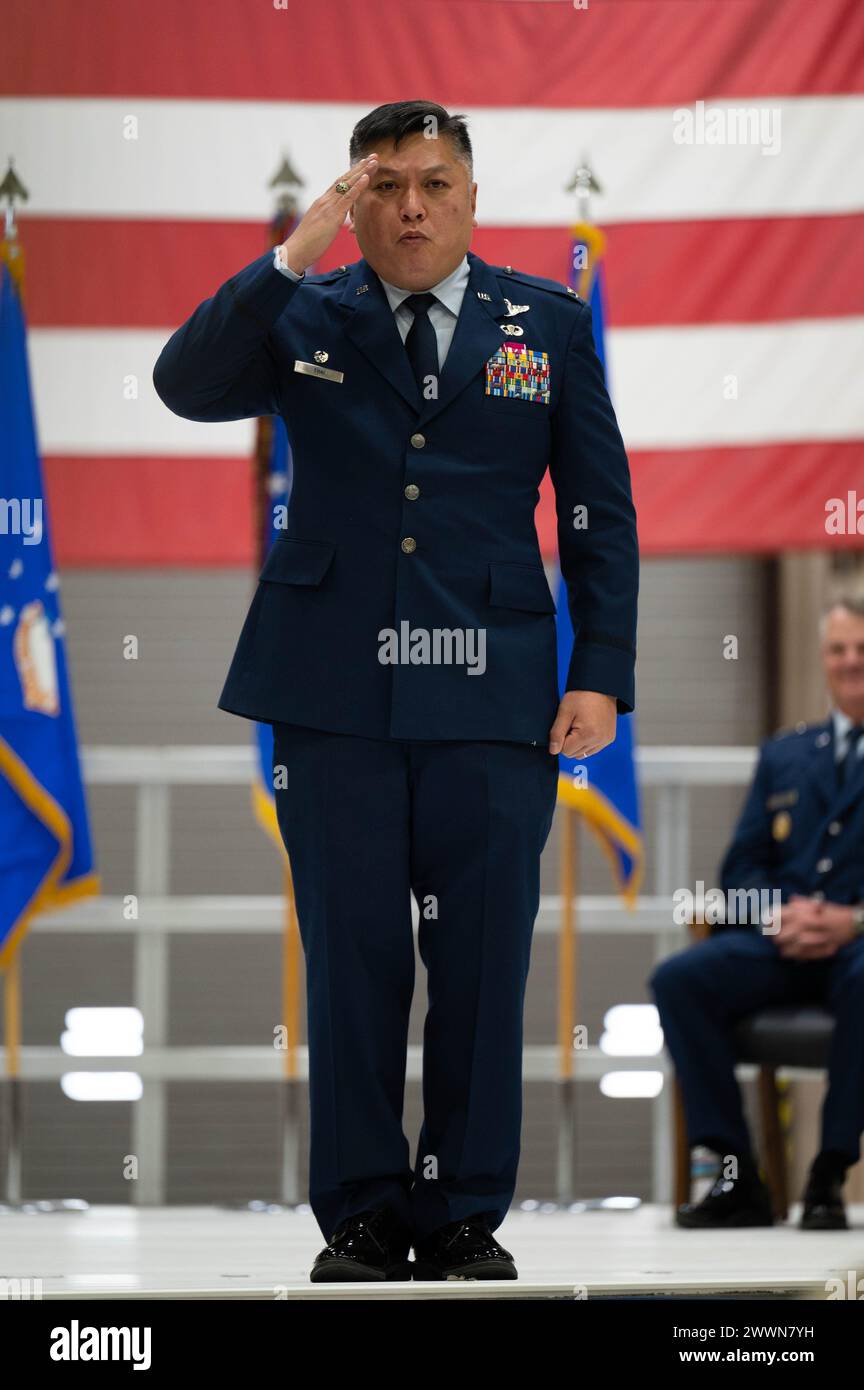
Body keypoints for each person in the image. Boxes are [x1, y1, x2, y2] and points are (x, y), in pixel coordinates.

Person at [153, 101, 638, 1281]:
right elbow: (183, 383)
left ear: (472, 196)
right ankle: (364, 1214)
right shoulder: (304, 311)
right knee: (355, 957)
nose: (411, 205)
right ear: (354, 200)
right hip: (334, 694)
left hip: (494, 693)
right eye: (384, 186)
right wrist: (288, 255)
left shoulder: (552, 325)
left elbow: (597, 517)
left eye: (433, 182)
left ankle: (465, 1212)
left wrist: (603, 675)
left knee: (480, 962)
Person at [651, 597, 864, 1231]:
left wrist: (852, 921)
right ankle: (738, 1175)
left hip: (856, 949)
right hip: (783, 944)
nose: (850, 660)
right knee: (679, 980)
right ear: (823, 660)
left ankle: (828, 1175)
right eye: (838, 649)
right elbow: (741, 868)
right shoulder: (785, 755)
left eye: (861, 647)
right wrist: (780, 917)